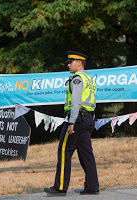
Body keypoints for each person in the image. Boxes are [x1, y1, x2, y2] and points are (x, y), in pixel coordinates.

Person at [44, 51, 99, 196]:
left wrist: (71, 122)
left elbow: (75, 102)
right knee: (87, 154)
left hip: (77, 119)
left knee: (64, 151)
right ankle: (92, 187)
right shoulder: (89, 79)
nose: (68, 64)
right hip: (88, 119)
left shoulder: (77, 79)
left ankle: (60, 187)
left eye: (71, 62)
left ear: (79, 63)